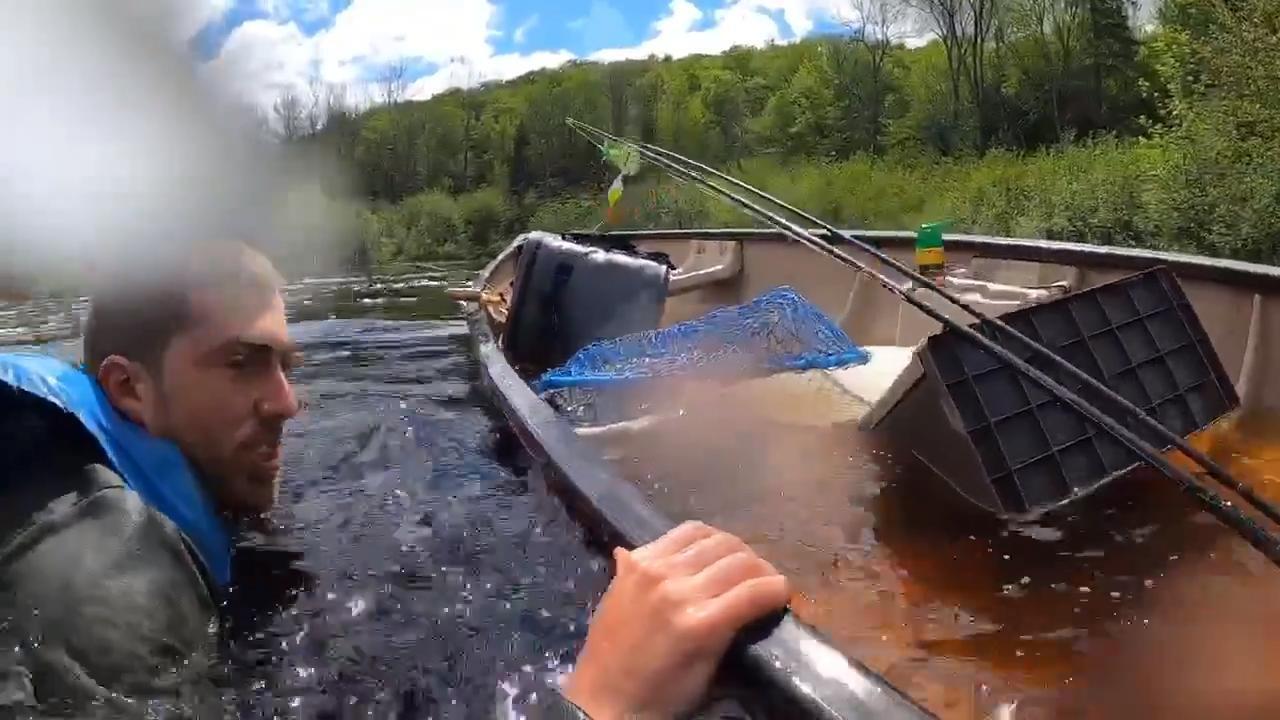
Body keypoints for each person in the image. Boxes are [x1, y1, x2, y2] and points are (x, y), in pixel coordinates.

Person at [0, 241, 790, 719]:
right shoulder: (104, 578)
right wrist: (599, 702)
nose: (287, 402)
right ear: (128, 387)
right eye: (242, 363)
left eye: (287, 363)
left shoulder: (102, 485)